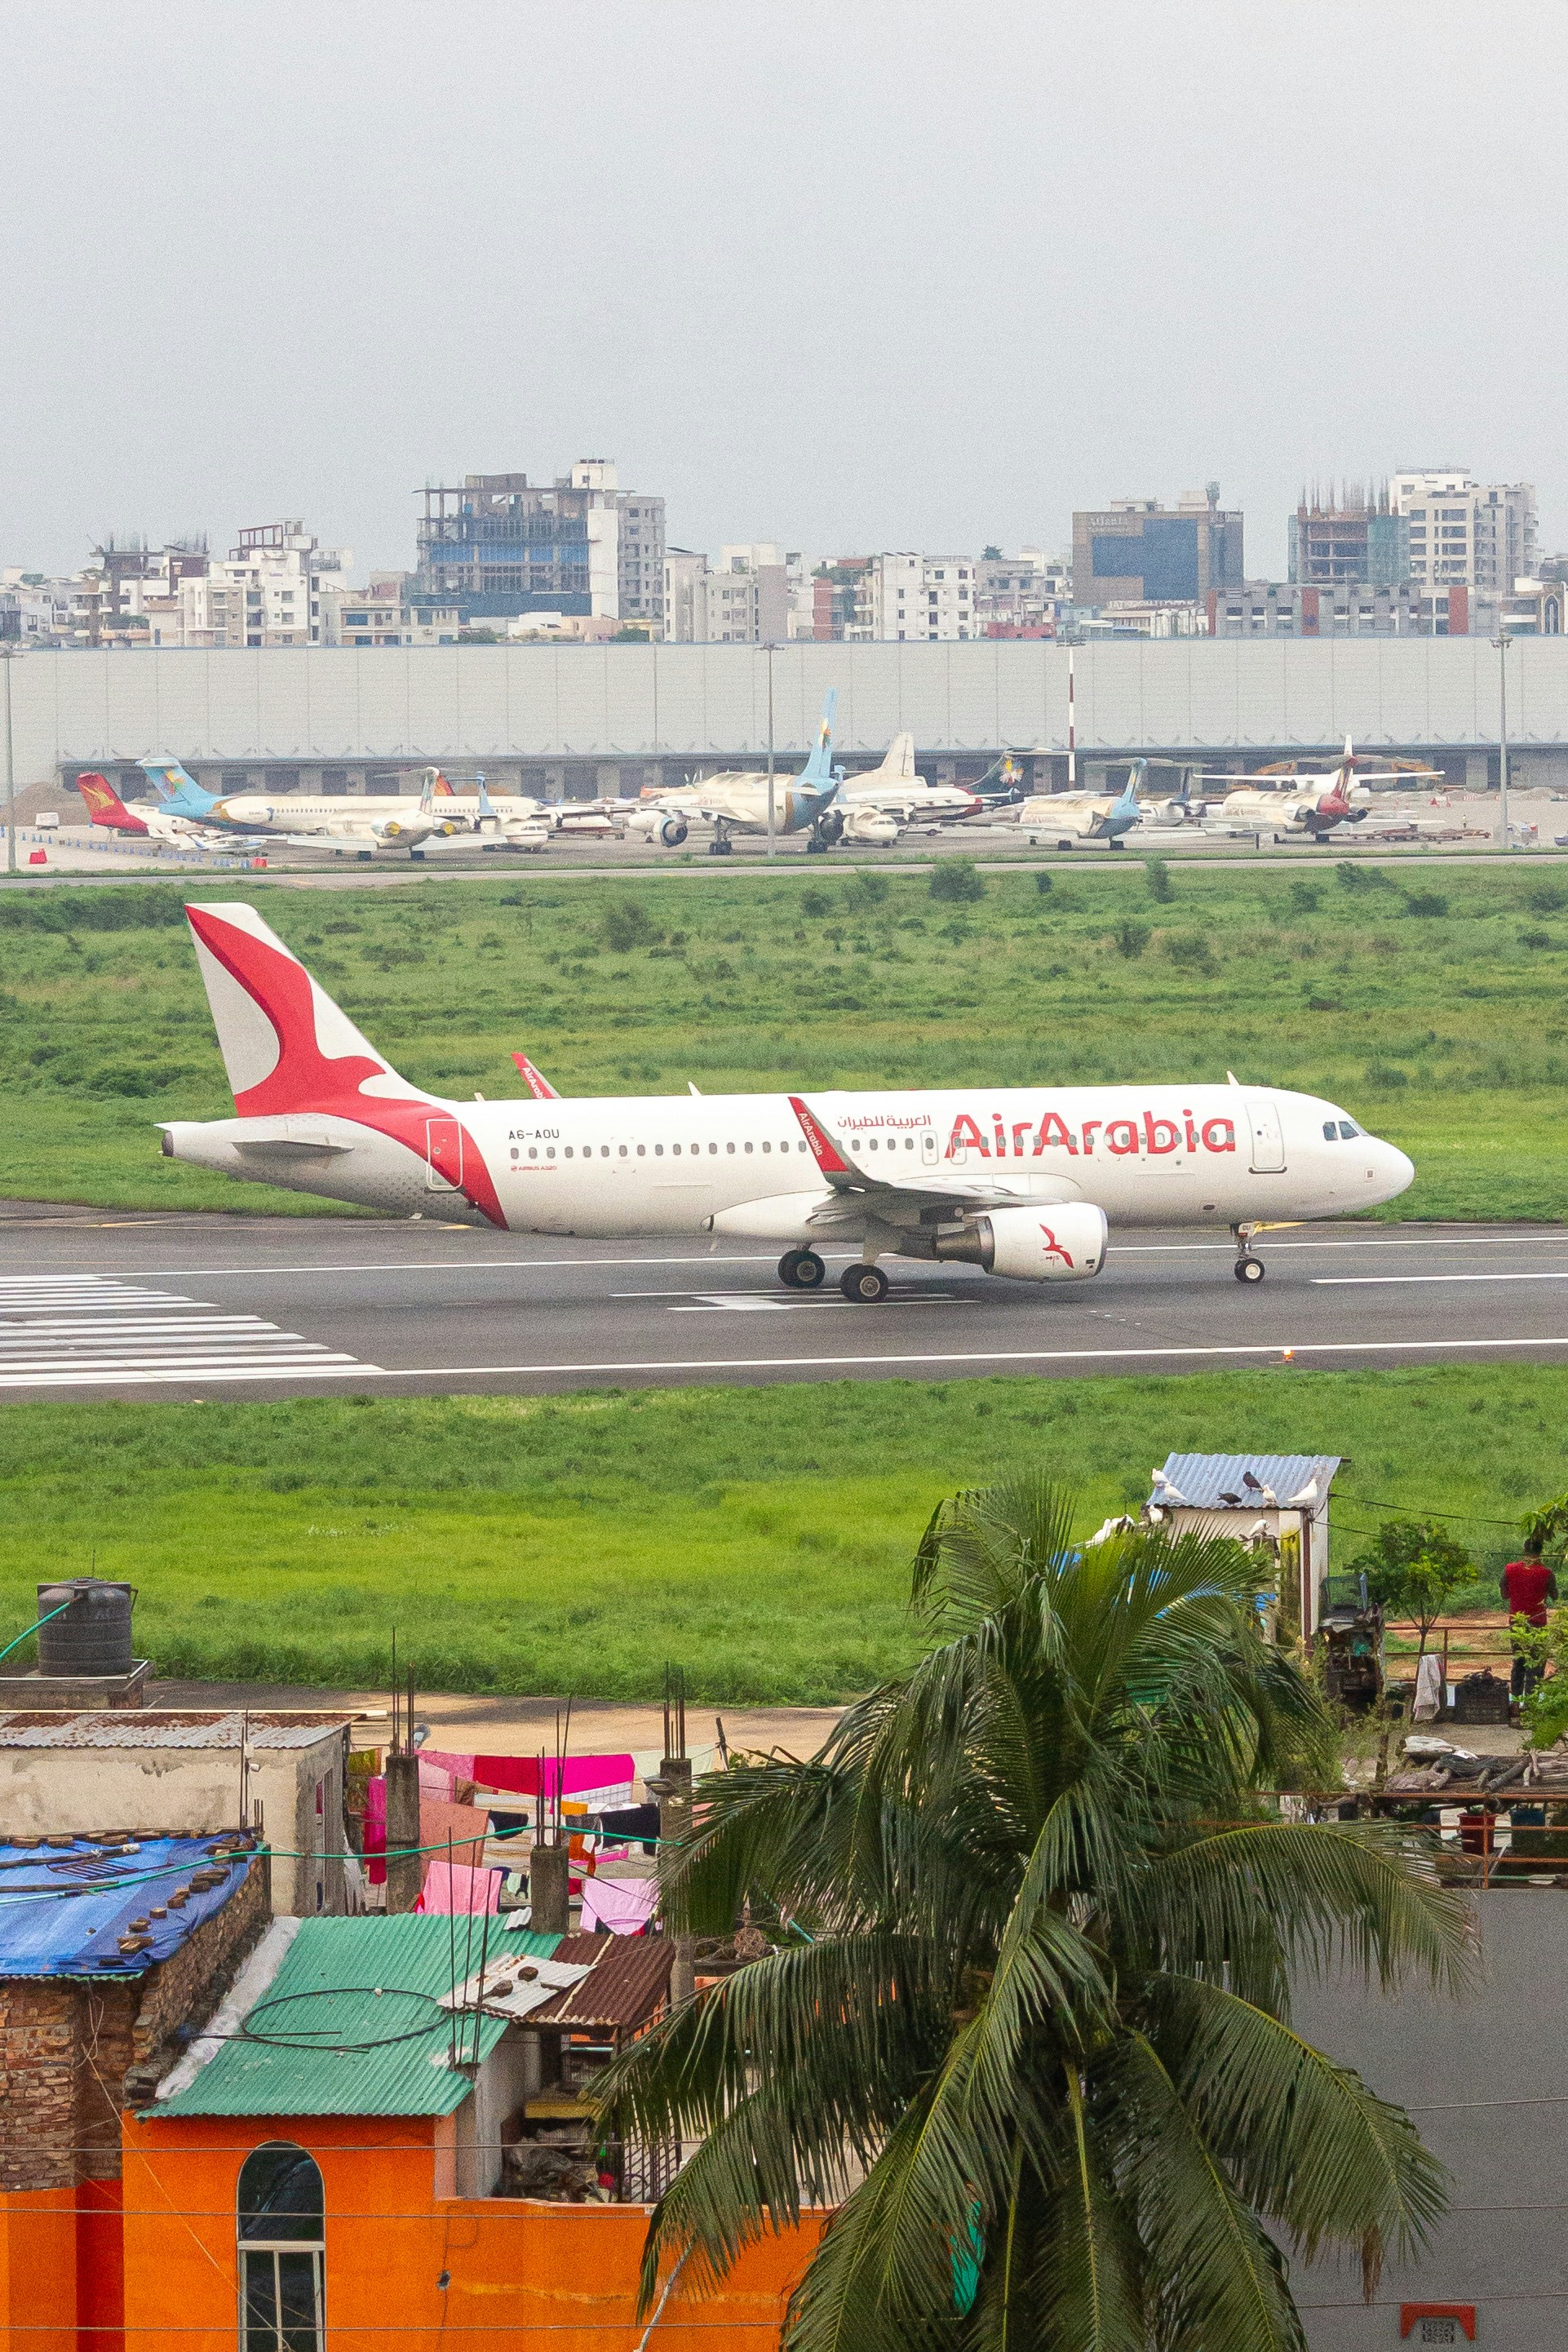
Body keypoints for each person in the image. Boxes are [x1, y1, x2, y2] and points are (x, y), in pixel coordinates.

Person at [1501, 1534, 1559, 1701]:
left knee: (1519, 1662)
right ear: (1541, 1552)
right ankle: (1531, 1705)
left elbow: (1504, 1593)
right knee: (1536, 1664)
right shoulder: (1547, 1573)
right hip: (1538, 1623)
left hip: (1517, 1622)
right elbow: (1555, 1596)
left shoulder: (1510, 1569)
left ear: (1524, 1550)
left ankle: (1515, 1706)